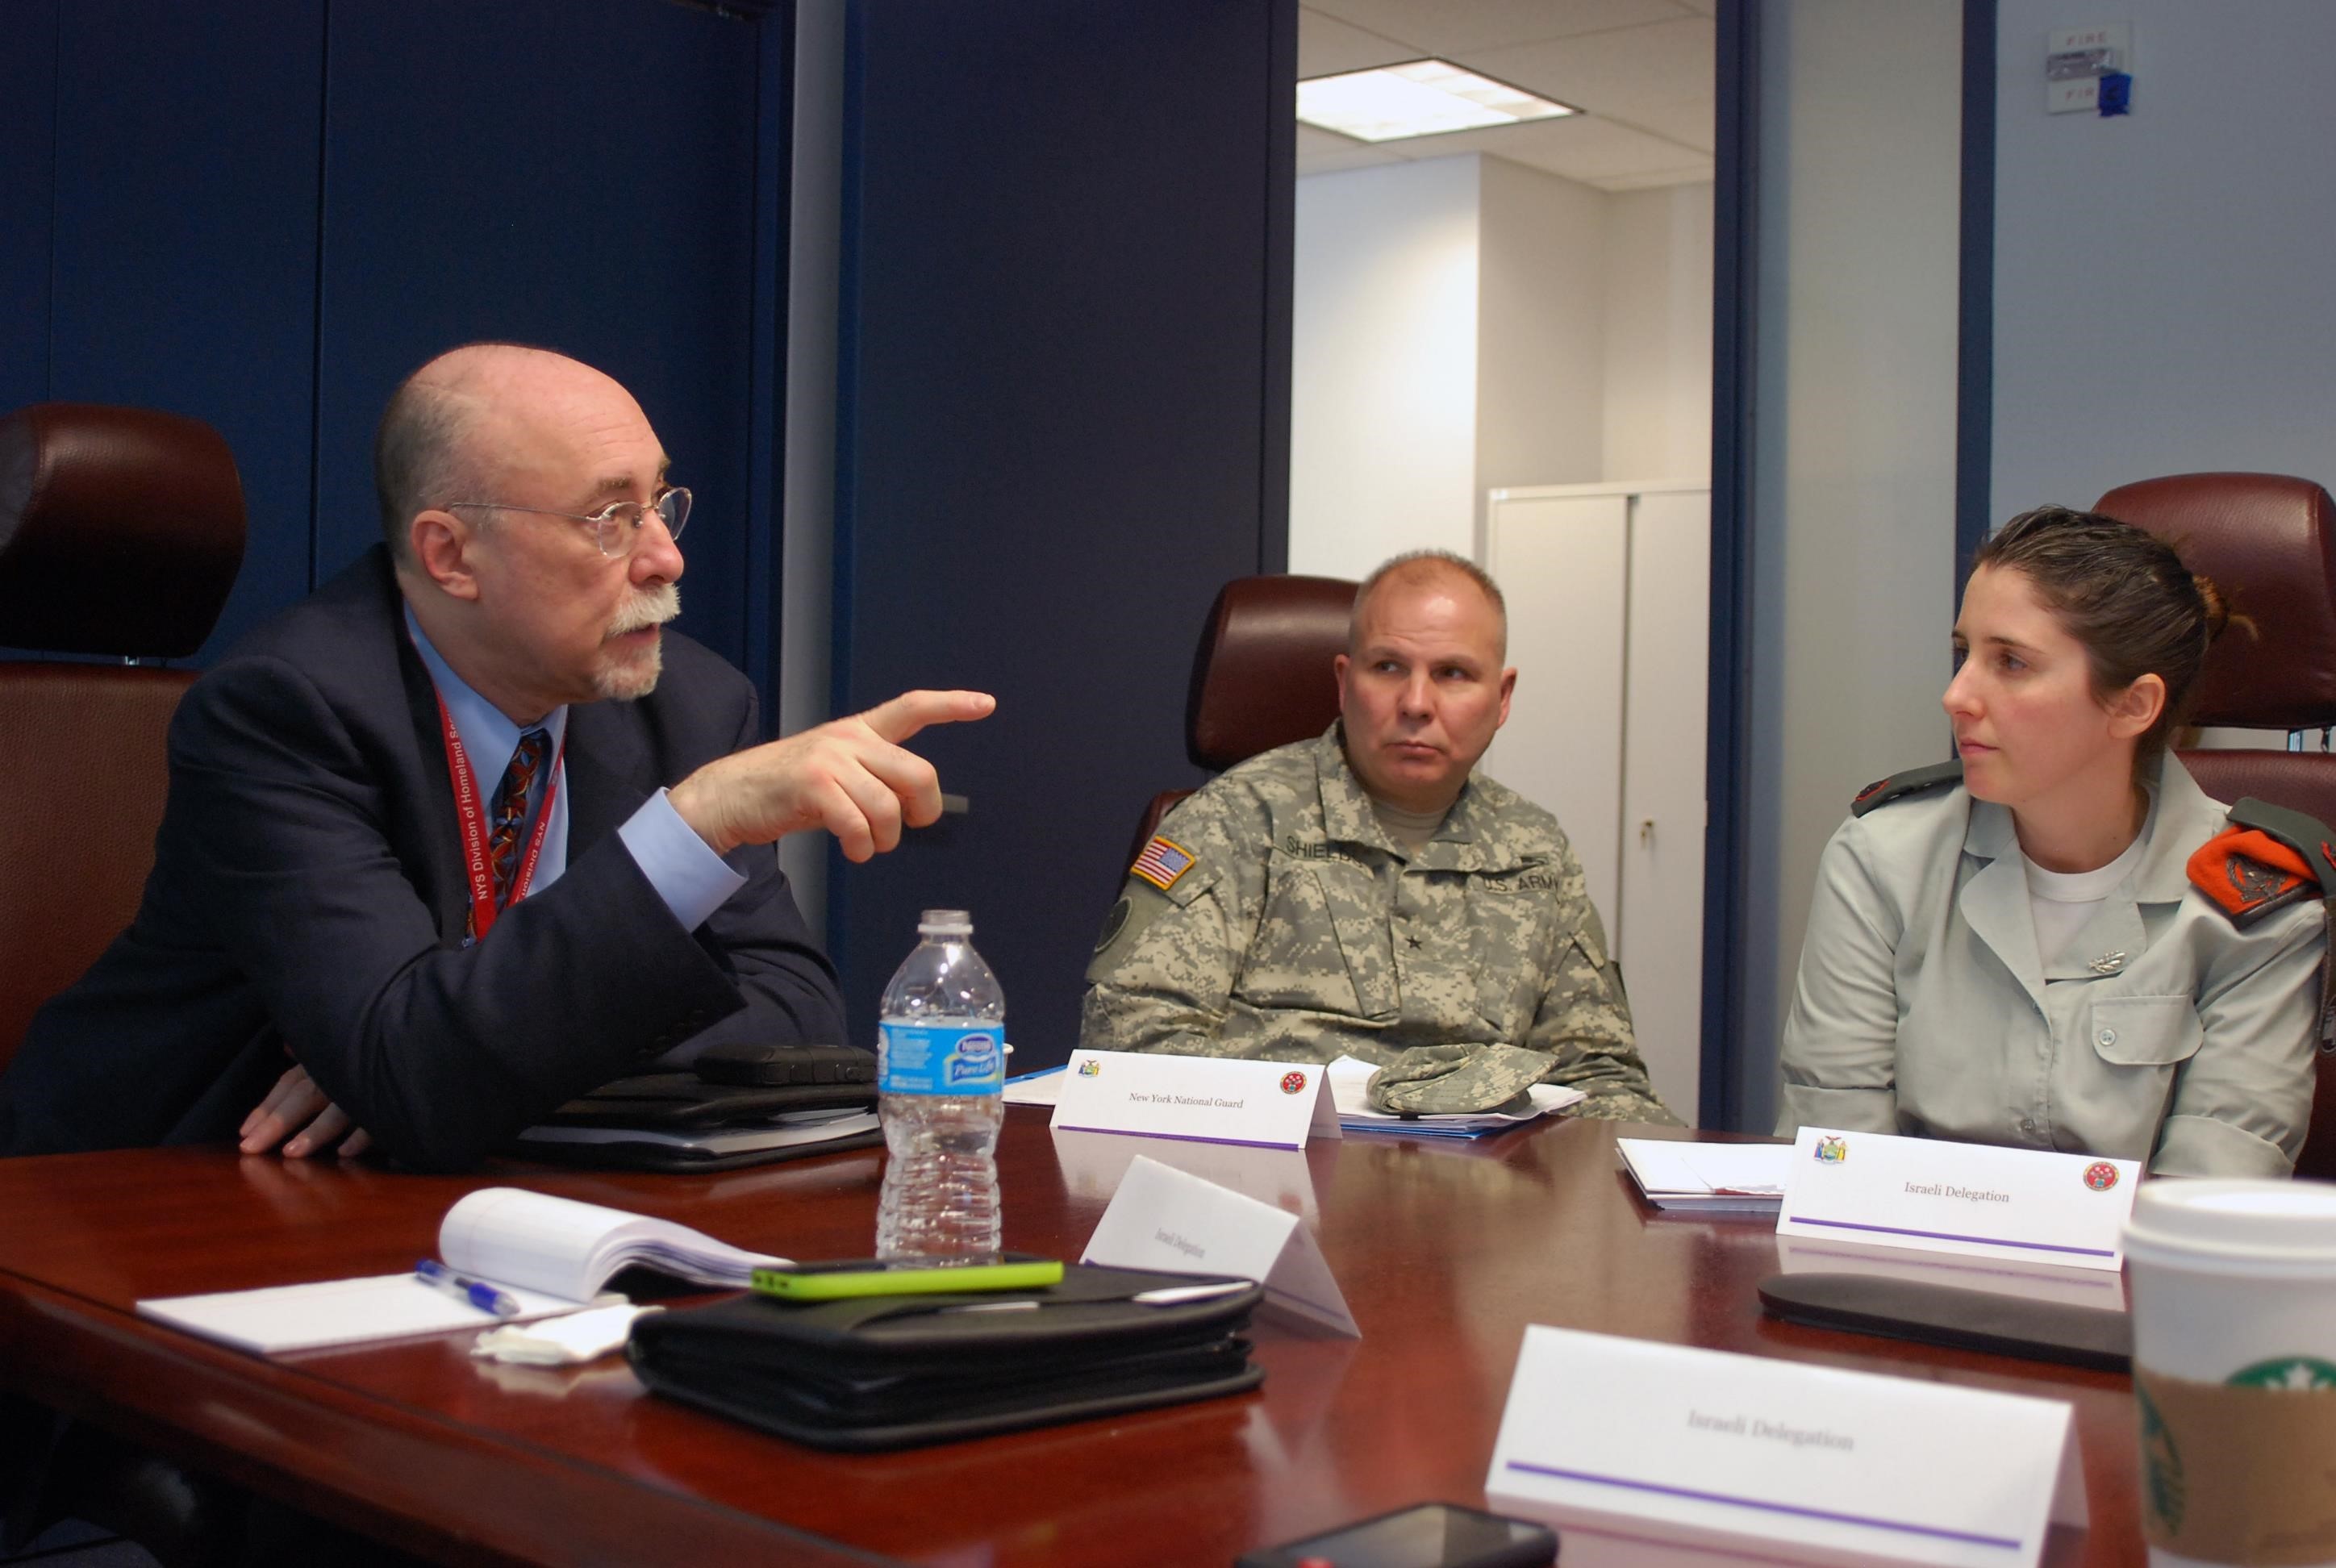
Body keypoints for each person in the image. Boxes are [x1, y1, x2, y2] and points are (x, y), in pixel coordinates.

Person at [0, 343, 994, 1170]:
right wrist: (687, 828)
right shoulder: (286, 710)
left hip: (455, 1195)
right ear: (450, 555)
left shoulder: (691, 704)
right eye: (609, 518)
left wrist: (477, 1060)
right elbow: (410, 1074)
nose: (664, 556)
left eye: (659, 502)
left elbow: (798, 1021)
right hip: (145, 1196)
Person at [1776, 506, 2326, 1176]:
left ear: (2134, 705)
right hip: (1900, 1243)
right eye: (1964, 654)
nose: (1956, 695)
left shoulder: (2258, 903)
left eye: (2010, 662)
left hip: (2140, 1251)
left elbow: (2210, 1195)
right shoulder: (1884, 858)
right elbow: (1837, 1156)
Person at [1079, 550, 1679, 1124]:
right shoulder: (1235, 821)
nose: (1416, 703)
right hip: (1277, 1170)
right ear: (1345, 683)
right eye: (1388, 667)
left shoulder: (1535, 850)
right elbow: (1132, 1040)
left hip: (1480, 1185)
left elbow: (1598, 1074)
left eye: (1452, 673)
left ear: (1501, 699)